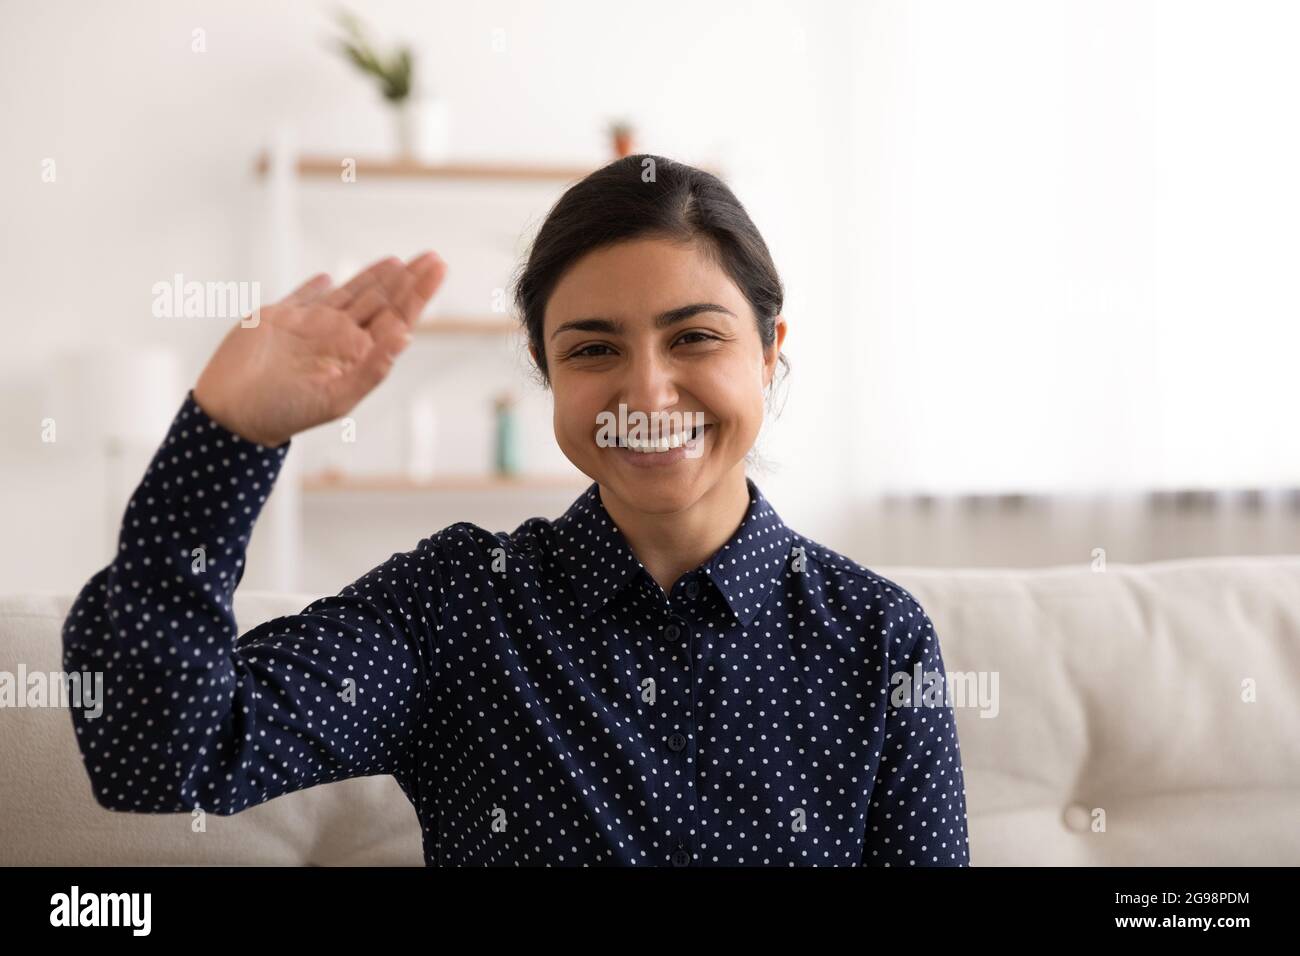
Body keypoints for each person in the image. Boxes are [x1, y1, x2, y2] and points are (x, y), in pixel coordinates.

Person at [63, 154, 971, 866]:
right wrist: (226, 437)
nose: (647, 393)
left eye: (695, 336)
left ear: (769, 352)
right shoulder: (460, 603)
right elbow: (162, 757)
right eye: (592, 350)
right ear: (546, 372)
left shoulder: (878, 636)